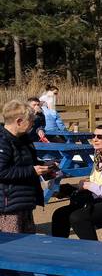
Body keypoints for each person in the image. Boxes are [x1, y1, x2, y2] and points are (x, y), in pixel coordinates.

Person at [0, 100, 56, 233]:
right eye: (31, 120)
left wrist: (44, 166)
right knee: (12, 246)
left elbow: (25, 163)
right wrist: (32, 170)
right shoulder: (3, 141)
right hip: (9, 206)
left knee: (27, 243)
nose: (33, 124)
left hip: (24, 200)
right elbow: (1, 171)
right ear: (19, 121)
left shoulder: (23, 138)